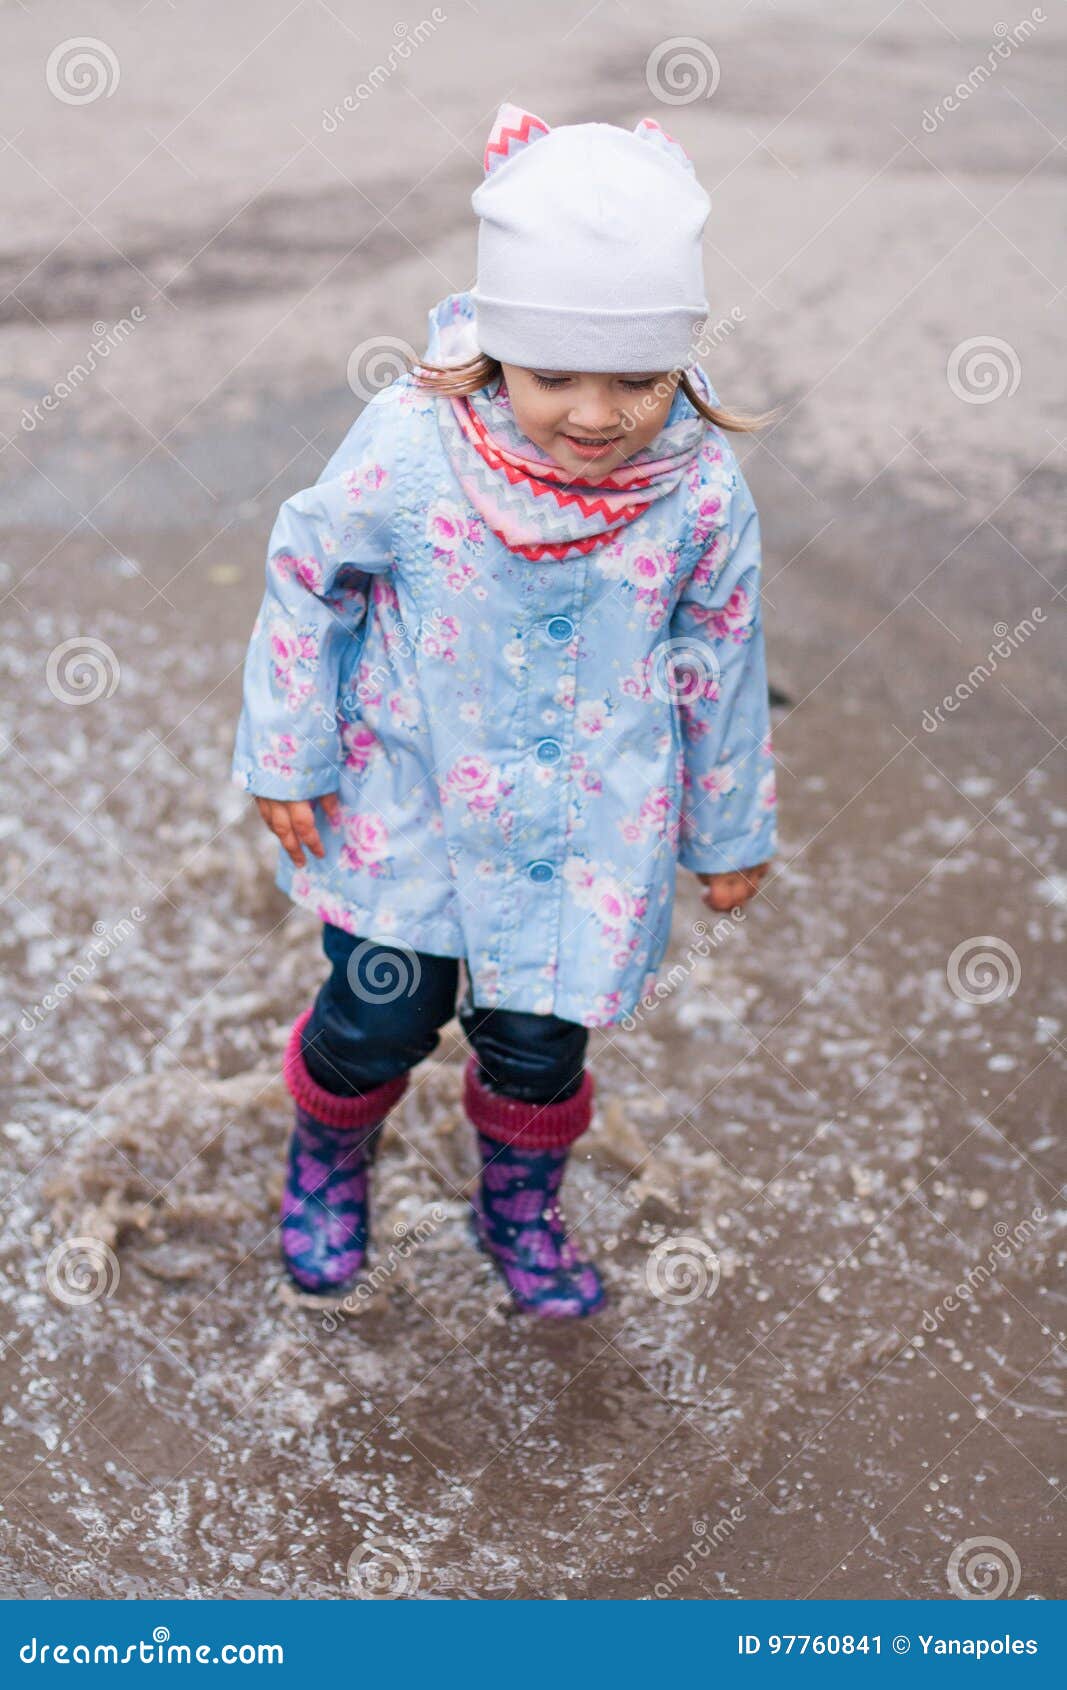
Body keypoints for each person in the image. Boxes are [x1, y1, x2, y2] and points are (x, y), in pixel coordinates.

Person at [231, 103, 778, 1319]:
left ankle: (515, 1205)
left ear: (682, 360)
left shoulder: (694, 487)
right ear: (495, 351)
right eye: (552, 378)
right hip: (405, 804)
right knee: (377, 1015)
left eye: (637, 378)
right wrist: (286, 749)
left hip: (588, 832)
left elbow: (719, 653)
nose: (595, 415)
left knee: (538, 1043)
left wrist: (727, 830)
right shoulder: (417, 445)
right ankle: (327, 1162)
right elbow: (308, 575)